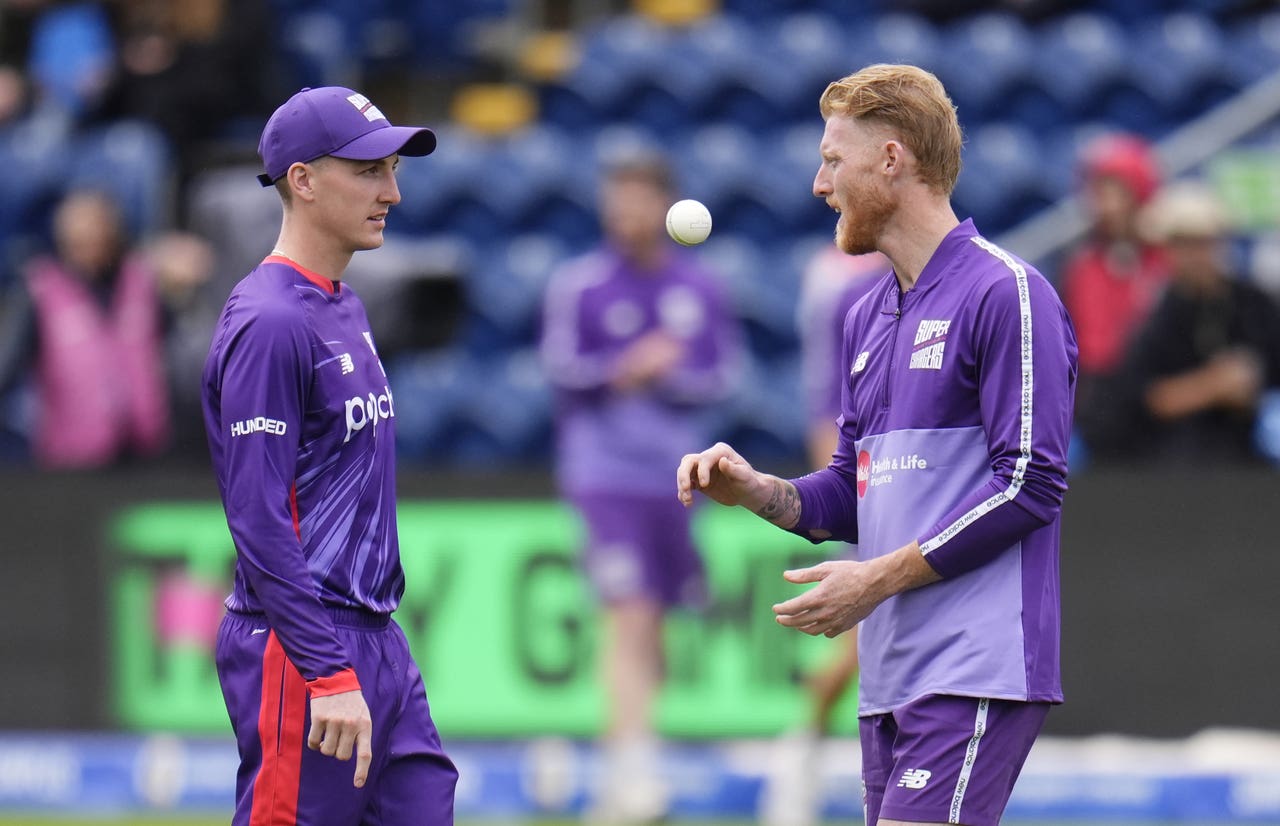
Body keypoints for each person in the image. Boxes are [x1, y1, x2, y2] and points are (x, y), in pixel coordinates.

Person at [676, 64, 1078, 826]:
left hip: (975, 666)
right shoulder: (866, 316)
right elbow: (848, 493)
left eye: (833, 160)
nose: (819, 184)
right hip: (890, 679)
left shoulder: (1007, 292)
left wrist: (874, 581)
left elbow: (1030, 483)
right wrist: (757, 490)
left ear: (891, 160)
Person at [201, 86, 457, 826]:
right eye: (370, 171)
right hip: (303, 649)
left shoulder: (342, 303)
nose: (392, 193)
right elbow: (257, 514)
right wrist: (326, 669)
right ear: (304, 180)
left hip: (376, 639)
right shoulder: (271, 321)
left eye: (392, 170)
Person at [540, 151, 742, 824]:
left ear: (664, 205)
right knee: (627, 612)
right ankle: (628, 778)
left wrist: (669, 374)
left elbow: (722, 376)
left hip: (677, 477)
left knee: (656, 620)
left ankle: (637, 754)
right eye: (616, 198)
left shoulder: (701, 288)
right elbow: (560, 369)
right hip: (604, 475)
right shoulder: (580, 285)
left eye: (637, 198)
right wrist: (624, 368)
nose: (624, 211)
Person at [759, 246, 887, 826]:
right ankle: (799, 752)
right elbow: (828, 404)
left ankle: (802, 753)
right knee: (862, 637)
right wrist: (847, 500)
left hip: (915, 483)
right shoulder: (847, 292)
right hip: (871, 486)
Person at [0, 187, 171, 469]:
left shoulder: (143, 282)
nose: (90, 247)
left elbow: (178, 351)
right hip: (71, 460)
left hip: (145, 453)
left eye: (98, 237)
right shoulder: (40, 291)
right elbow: (6, 367)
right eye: (79, 241)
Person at [1125, 180, 1280, 465]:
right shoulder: (1159, 312)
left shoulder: (1254, 302)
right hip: (1181, 455)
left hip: (1253, 446)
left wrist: (1250, 385)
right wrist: (1214, 385)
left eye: (1201, 242)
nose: (1192, 255)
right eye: (1181, 244)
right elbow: (1149, 398)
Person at [1058, 132, 1167, 459]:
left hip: (1156, 402)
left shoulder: (1166, 262)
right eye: (1098, 192)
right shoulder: (1080, 266)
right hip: (1099, 405)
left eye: (1116, 192)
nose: (1104, 205)